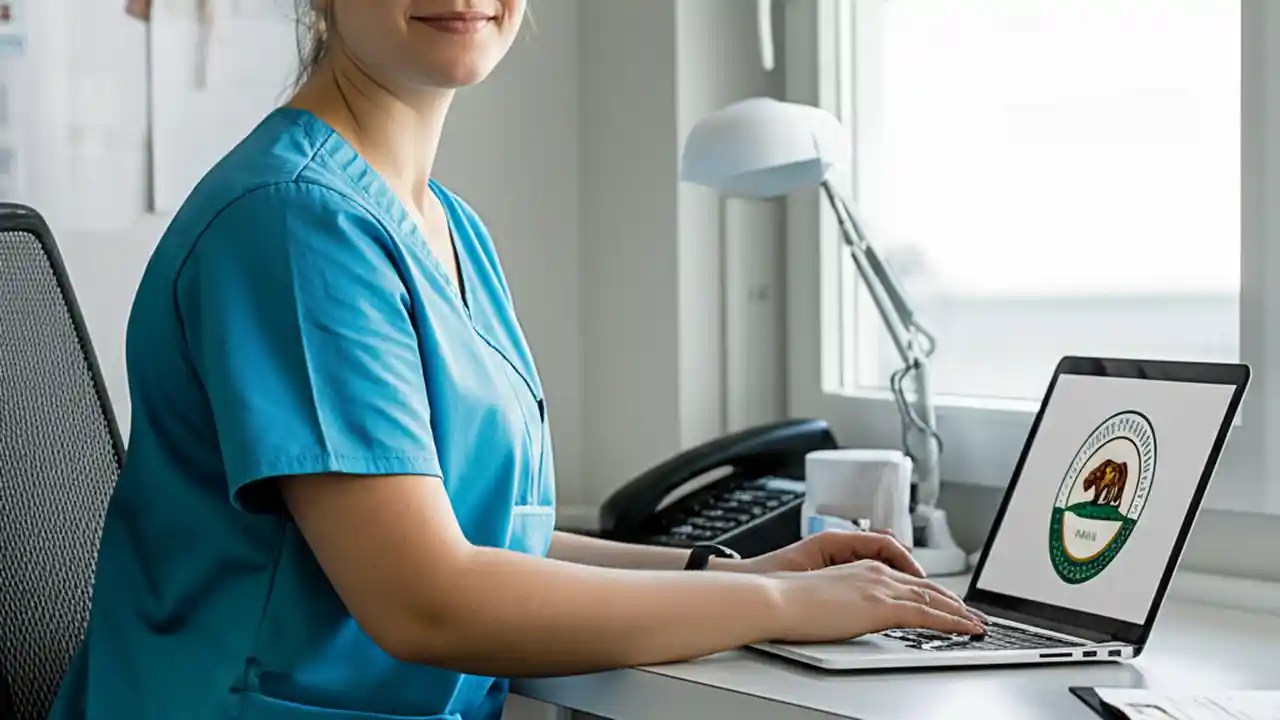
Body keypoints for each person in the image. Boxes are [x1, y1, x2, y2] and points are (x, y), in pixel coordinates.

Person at [49, 1, 985, 718]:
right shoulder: (294, 221)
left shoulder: (447, 226)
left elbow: (487, 538)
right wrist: (782, 605)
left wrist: (733, 575)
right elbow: (429, 600)